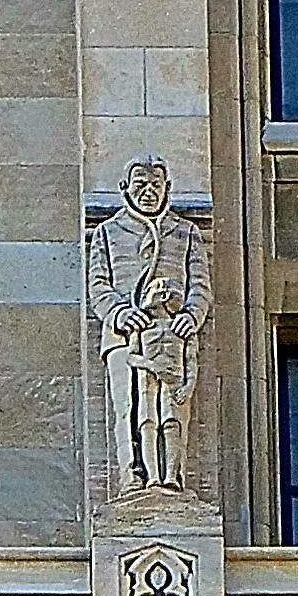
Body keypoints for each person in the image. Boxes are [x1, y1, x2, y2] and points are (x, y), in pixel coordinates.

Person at [86, 157, 211, 499]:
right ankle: (131, 474)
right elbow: (99, 284)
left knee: (171, 408)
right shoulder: (107, 233)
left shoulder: (186, 233)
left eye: (155, 185)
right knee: (128, 407)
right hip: (124, 338)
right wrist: (120, 312)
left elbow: (200, 285)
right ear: (124, 189)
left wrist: (191, 314)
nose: (148, 192)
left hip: (170, 334)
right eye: (140, 185)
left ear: (167, 189)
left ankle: (171, 474)